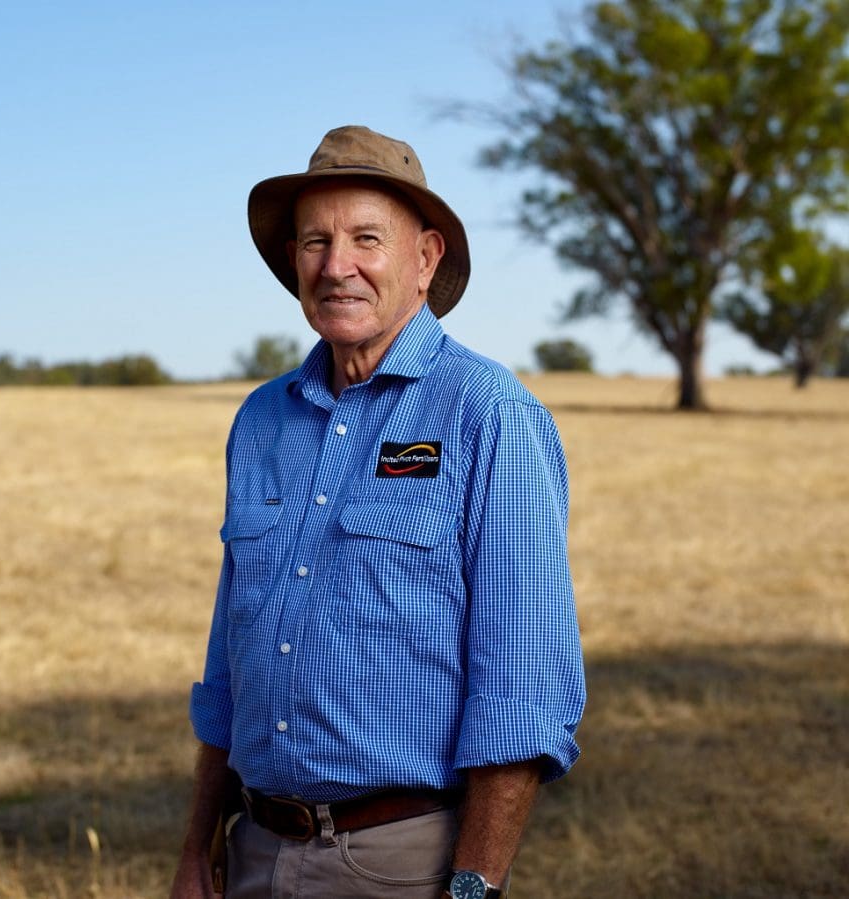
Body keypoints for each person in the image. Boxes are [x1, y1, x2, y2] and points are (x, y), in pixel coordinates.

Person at [170, 125, 585, 899]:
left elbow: (521, 691)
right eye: (315, 242)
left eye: (367, 238)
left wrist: (473, 889)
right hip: (253, 849)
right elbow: (229, 663)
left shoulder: (487, 412)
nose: (337, 266)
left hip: (403, 864)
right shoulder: (262, 420)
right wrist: (197, 848)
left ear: (424, 258)